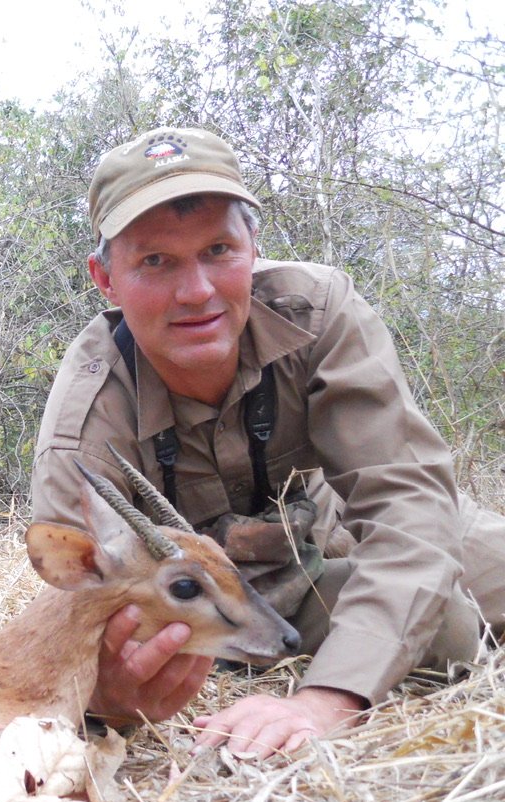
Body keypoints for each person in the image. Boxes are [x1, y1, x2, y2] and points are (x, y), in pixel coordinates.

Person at [32, 126, 505, 759]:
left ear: (253, 247)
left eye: (219, 249)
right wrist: (115, 696)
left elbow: (407, 508)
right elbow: (77, 615)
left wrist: (325, 701)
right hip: (229, 592)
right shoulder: (84, 423)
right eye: (155, 261)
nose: (196, 290)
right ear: (105, 278)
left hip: (337, 525)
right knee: (446, 627)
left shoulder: (317, 310)